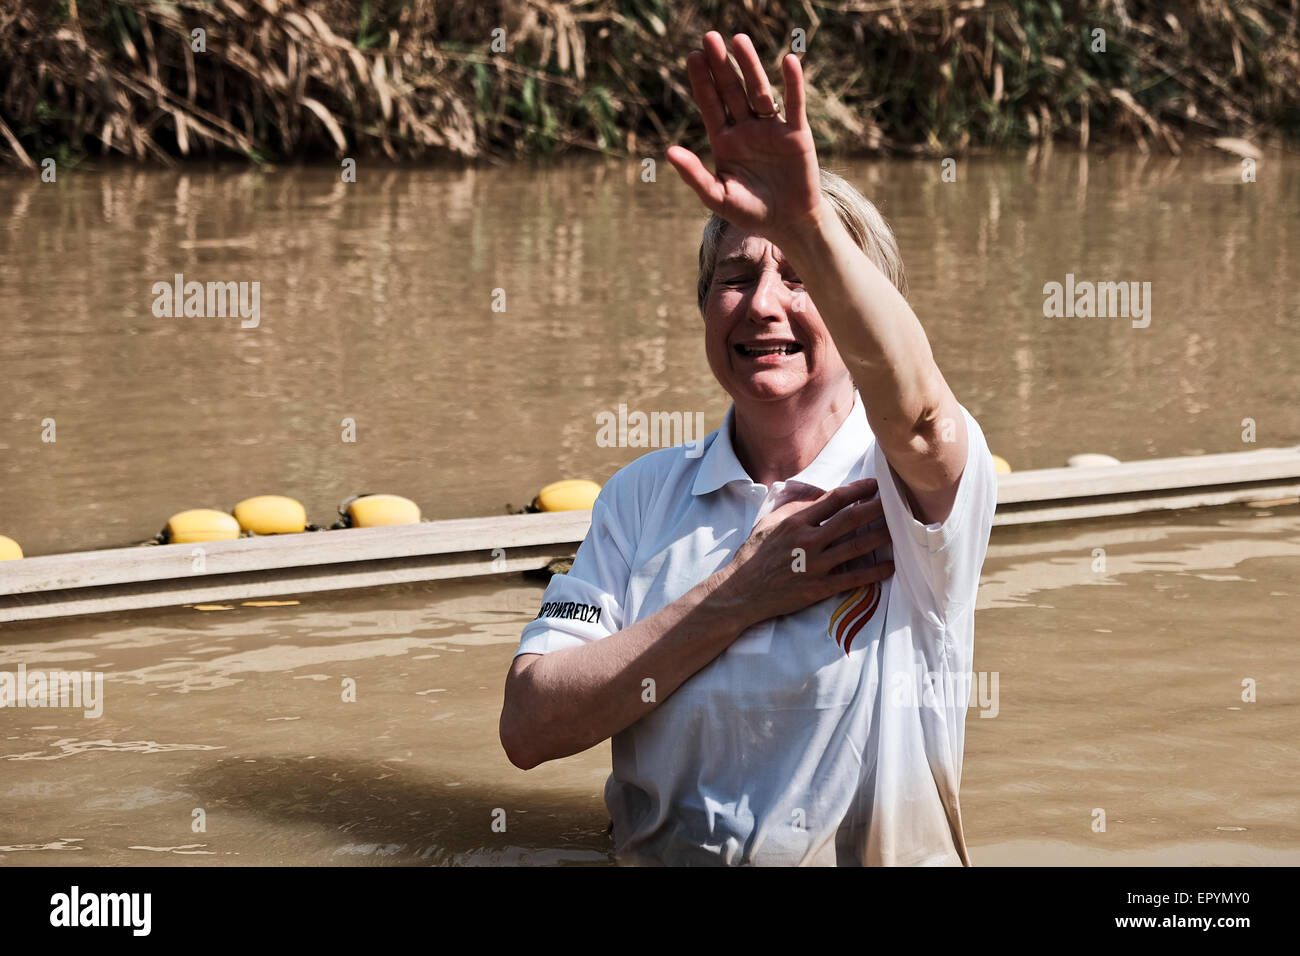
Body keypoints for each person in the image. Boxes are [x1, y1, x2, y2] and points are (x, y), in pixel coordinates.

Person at [499, 31, 997, 866]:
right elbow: (529, 724)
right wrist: (737, 596)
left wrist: (808, 222)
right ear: (704, 309)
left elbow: (918, 419)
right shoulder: (643, 495)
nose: (763, 304)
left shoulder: (911, 491)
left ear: (860, 305)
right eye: (735, 276)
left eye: (798, 272)